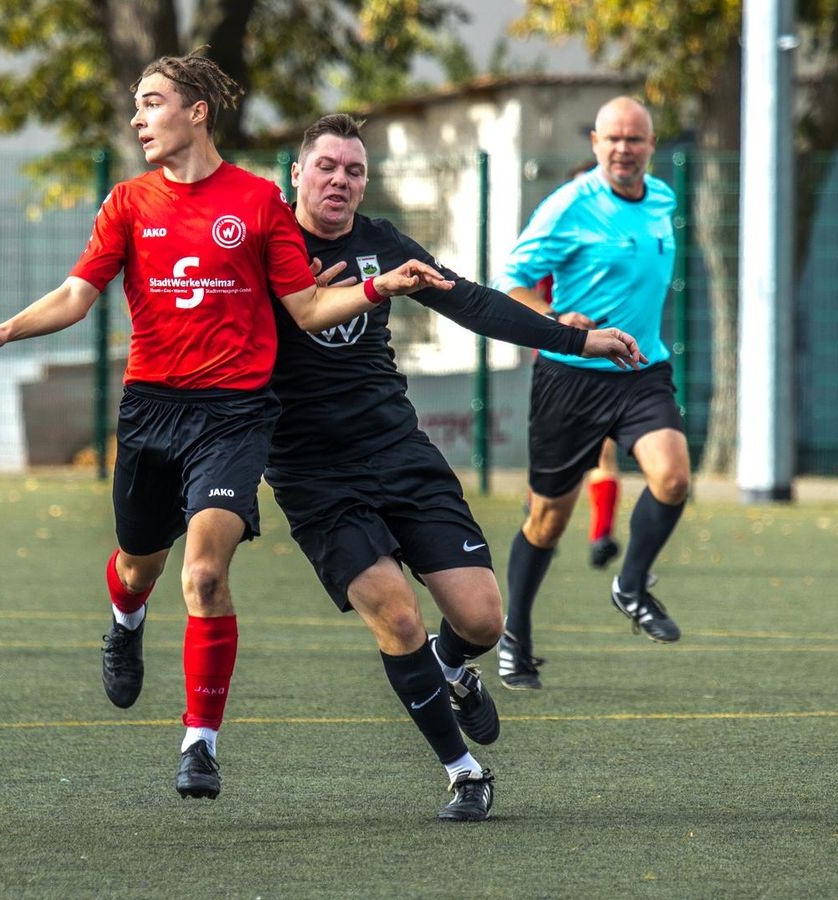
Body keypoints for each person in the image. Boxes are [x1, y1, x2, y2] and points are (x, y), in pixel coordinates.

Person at [0, 53, 450, 801]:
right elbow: (75, 295)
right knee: (139, 566)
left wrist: (379, 284)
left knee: (206, 572)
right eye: (136, 104)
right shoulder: (128, 201)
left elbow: (308, 310)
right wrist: (4, 330)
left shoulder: (257, 203)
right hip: (152, 408)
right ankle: (125, 619)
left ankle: (200, 744)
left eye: (150, 102)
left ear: (196, 112)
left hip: (234, 413)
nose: (137, 118)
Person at [272, 114, 644, 821]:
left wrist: (577, 340)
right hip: (312, 471)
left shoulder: (382, 245)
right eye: (326, 166)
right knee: (398, 614)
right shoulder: (264, 246)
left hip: (397, 451)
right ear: (296, 172)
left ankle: (451, 668)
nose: (340, 181)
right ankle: (464, 772)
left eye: (354, 170)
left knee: (480, 618)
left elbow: (472, 303)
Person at [491, 97, 689, 692]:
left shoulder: (663, 199)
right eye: (614, 139)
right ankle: (514, 637)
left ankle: (630, 585)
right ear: (597, 143)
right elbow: (510, 282)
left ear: (651, 145)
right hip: (570, 376)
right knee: (548, 520)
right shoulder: (569, 206)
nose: (625, 149)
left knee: (674, 478)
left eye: (636, 139)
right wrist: (556, 318)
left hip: (641, 369)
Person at [534, 160, 627, 570]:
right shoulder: (554, 238)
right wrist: (553, 321)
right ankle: (539, 524)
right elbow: (530, 296)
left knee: (603, 451)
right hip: (557, 362)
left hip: (605, 361)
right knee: (553, 457)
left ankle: (601, 536)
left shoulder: (622, 240)